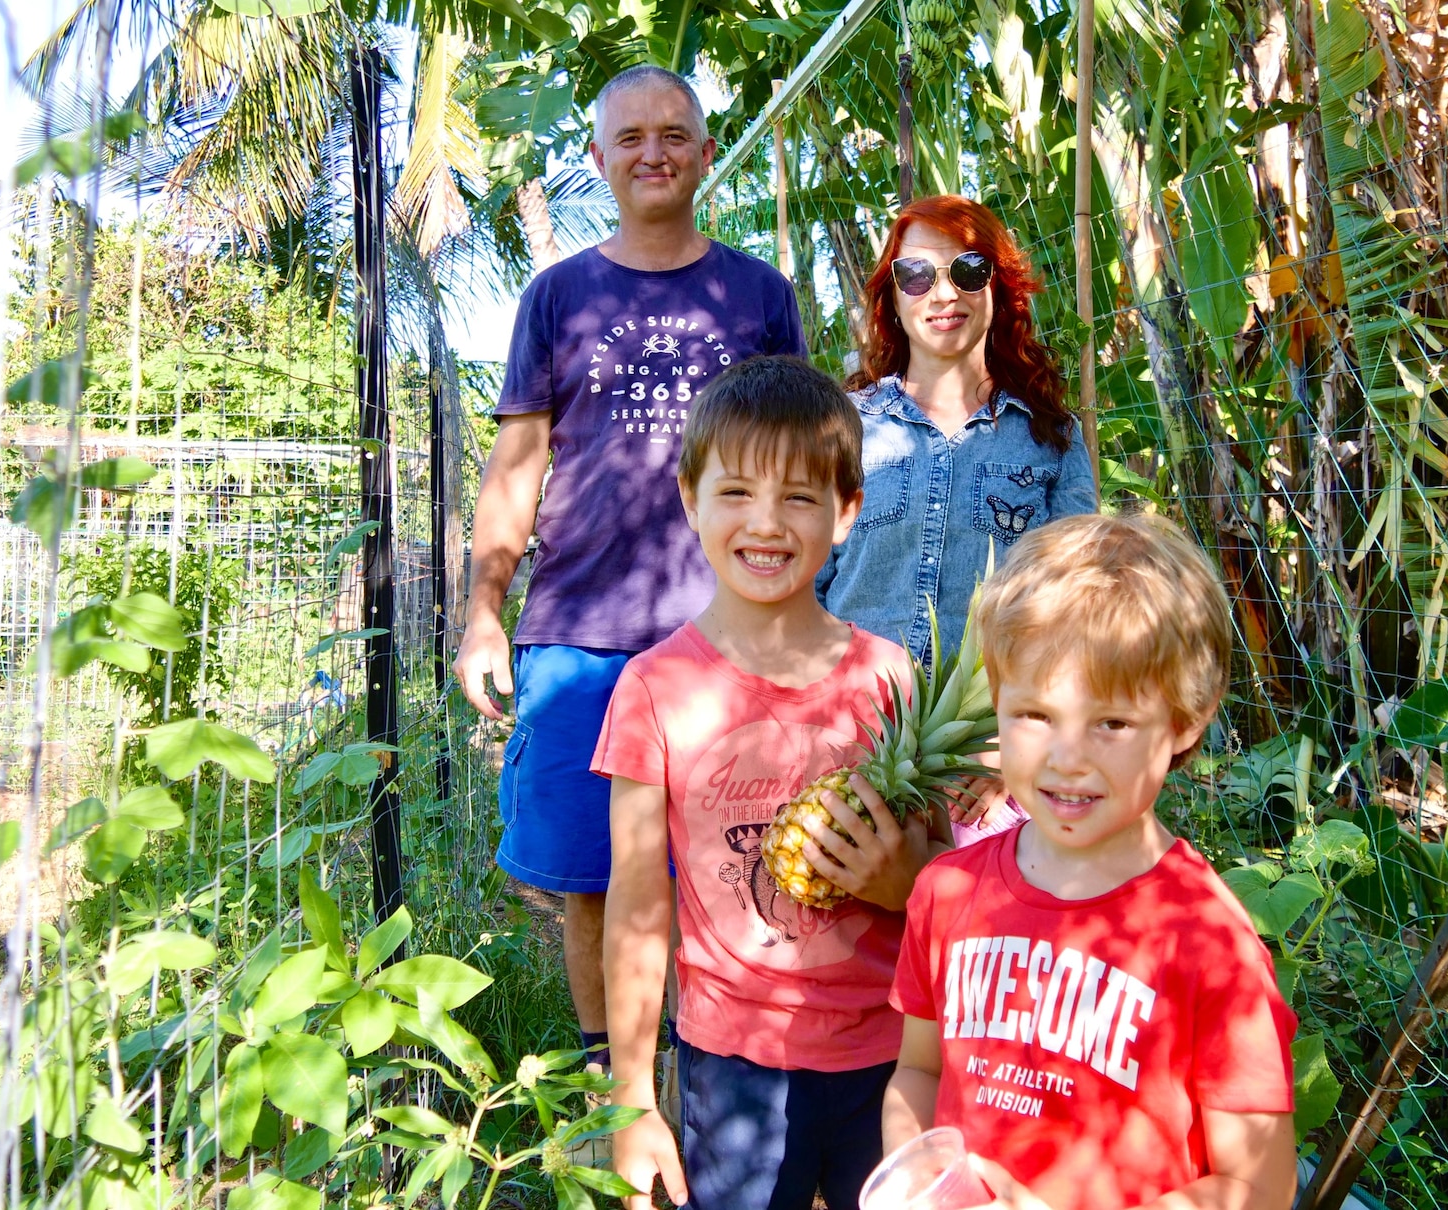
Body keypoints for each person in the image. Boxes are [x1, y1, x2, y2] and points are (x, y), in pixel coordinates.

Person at [450, 64, 806, 1070]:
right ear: (599, 159)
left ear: (701, 152)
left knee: (733, 872)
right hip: (576, 639)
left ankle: (719, 1079)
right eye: (632, 136)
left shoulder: (760, 295)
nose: (655, 150)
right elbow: (518, 463)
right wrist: (485, 611)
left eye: (675, 133)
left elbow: (795, 469)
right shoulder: (556, 295)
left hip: (725, 640)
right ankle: (612, 1087)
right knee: (588, 877)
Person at [598, 357, 951, 1210]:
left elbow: (946, 877)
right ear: (689, 499)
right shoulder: (653, 688)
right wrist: (633, 1100)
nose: (767, 522)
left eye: (799, 496)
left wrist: (903, 883)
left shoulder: (892, 679)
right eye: (737, 493)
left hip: (887, 1058)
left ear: (847, 511)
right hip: (732, 1062)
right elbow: (638, 906)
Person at [881, 514, 1301, 1210]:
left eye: (1111, 723)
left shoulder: (1206, 943)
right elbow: (919, 1071)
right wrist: (916, 1170)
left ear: (1185, 724)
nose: (1066, 756)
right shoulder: (948, 892)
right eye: (1035, 715)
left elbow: (1260, 1183)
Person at [818, 195, 1097, 663]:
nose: (944, 294)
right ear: (893, 295)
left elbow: (1075, 598)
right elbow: (805, 586)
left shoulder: (1051, 436)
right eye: (916, 274)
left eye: (969, 270)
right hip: (856, 720)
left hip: (992, 725)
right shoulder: (841, 426)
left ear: (998, 286)